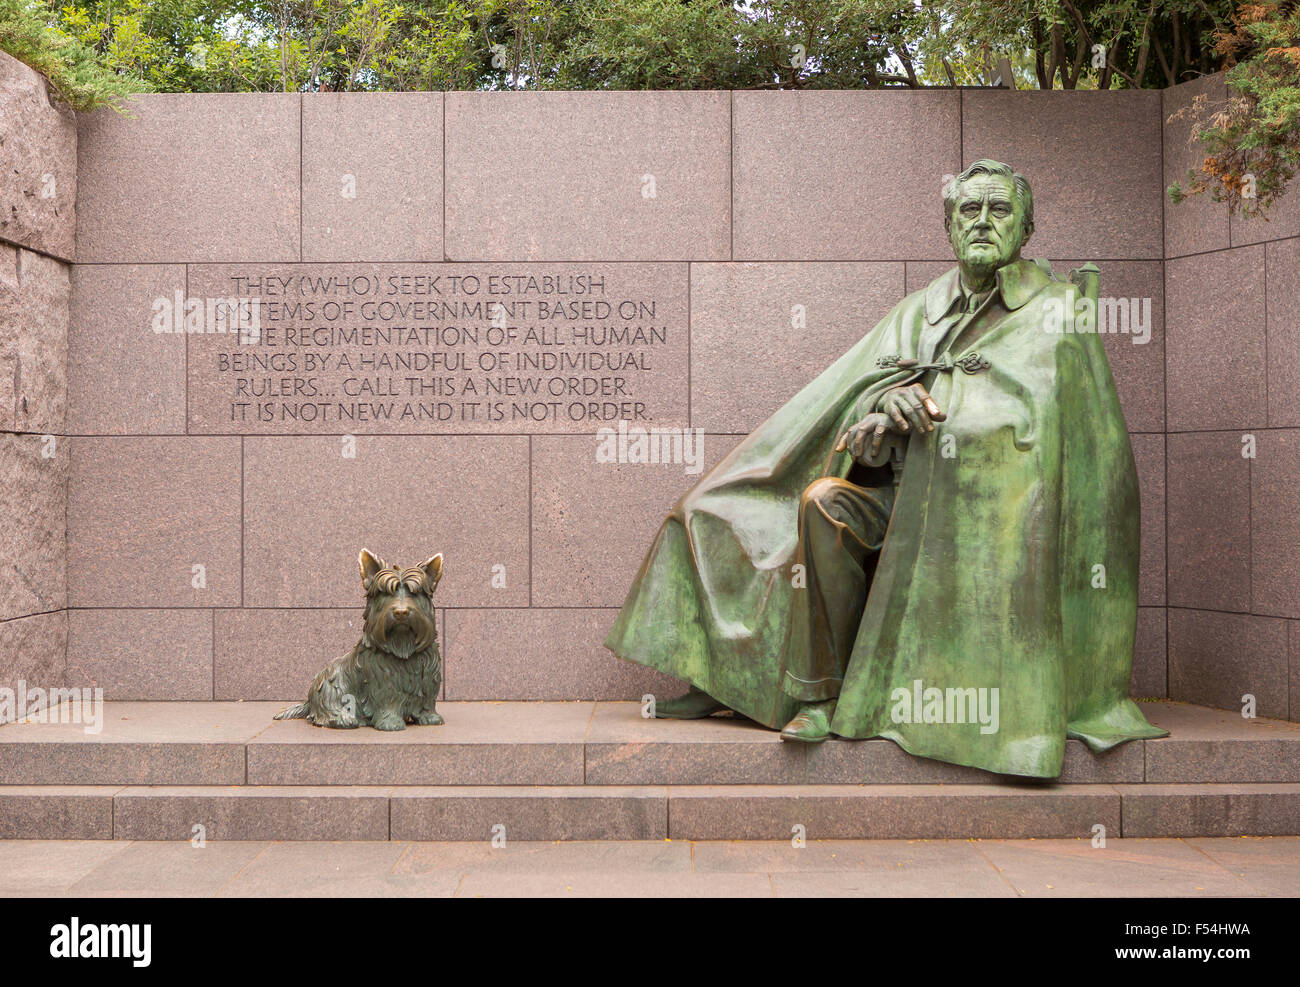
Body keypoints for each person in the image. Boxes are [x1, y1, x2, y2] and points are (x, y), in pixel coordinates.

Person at [604, 159, 1166, 779]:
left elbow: (1071, 441)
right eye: (968, 211)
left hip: (985, 513)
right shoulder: (919, 309)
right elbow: (856, 394)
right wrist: (880, 407)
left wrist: (941, 413)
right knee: (790, 502)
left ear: (1026, 226)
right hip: (894, 496)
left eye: (999, 210)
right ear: (949, 227)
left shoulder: (1059, 310)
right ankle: (787, 688)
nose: (982, 222)